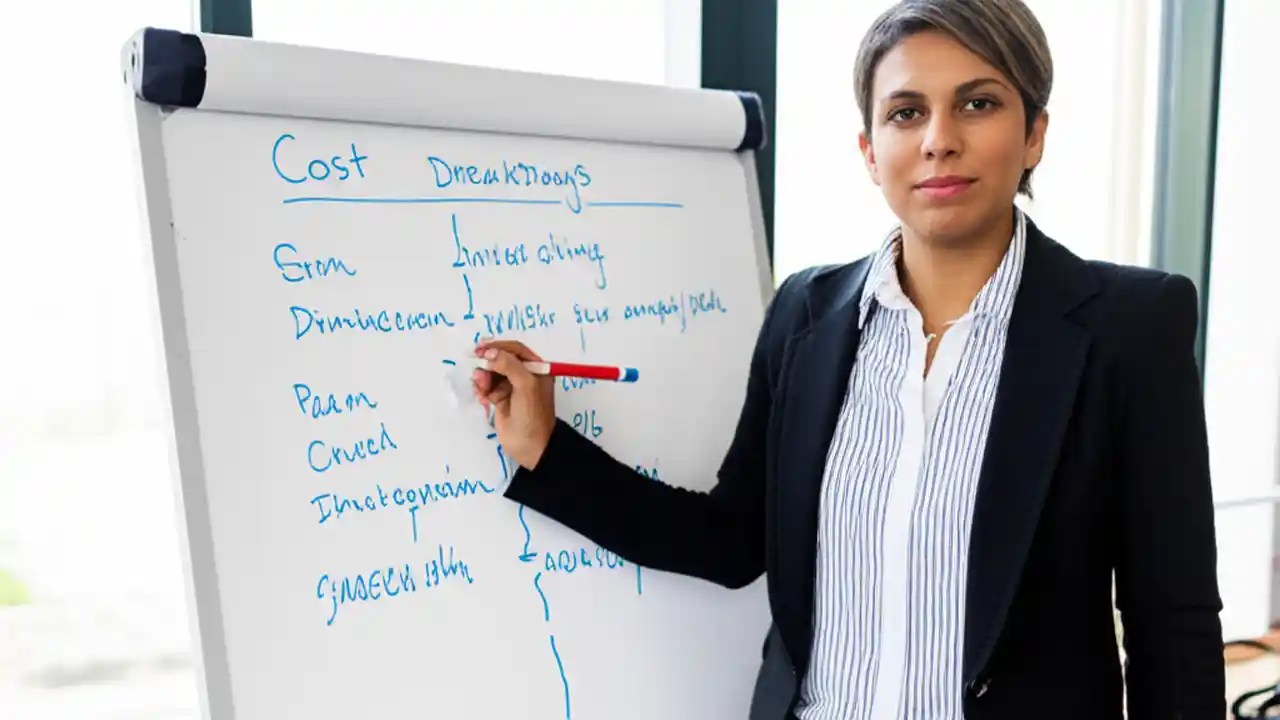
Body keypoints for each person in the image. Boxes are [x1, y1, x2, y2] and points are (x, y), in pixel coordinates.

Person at [471, 0, 1225, 717]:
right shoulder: (805, 314)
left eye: (977, 103)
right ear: (870, 151)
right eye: (906, 112)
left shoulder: (1130, 327)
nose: (938, 139)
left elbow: (1172, 617)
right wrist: (547, 450)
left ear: (1034, 135)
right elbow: (732, 539)